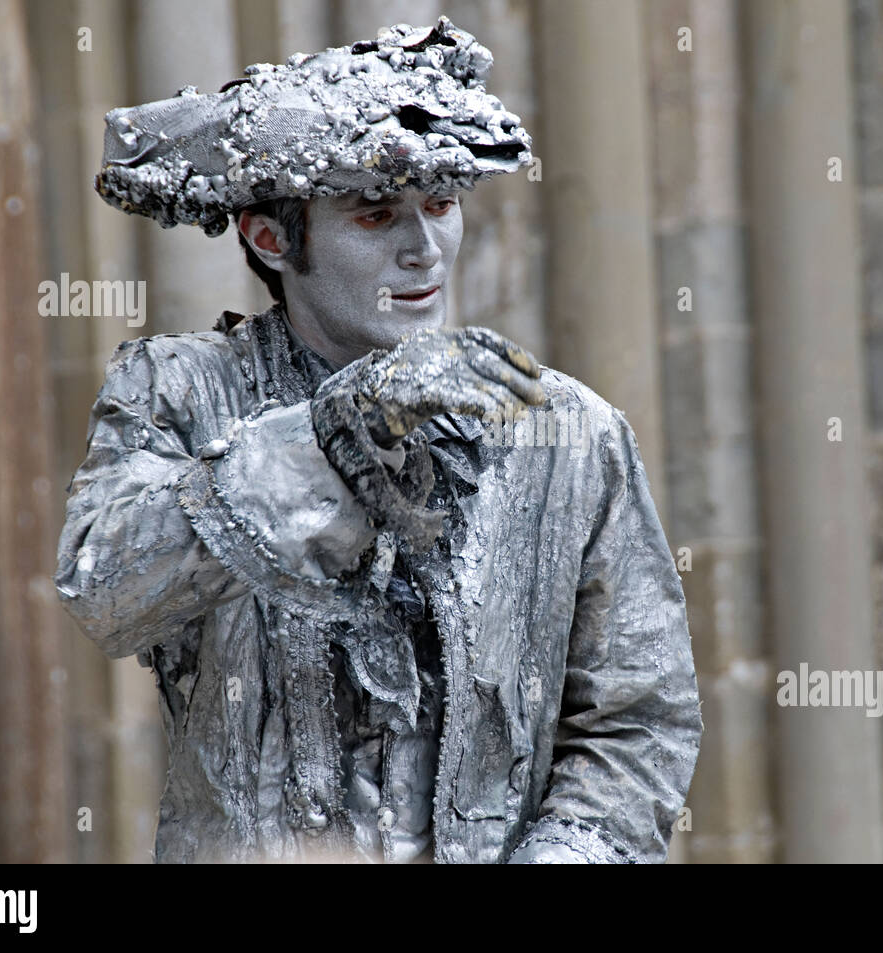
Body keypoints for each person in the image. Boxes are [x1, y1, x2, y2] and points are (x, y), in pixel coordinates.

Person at [56, 16, 701, 864]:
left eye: (440, 206)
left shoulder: (569, 432)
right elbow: (106, 588)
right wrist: (327, 439)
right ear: (271, 237)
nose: (423, 248)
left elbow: (637, 716)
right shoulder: (181, 392)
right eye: (374, 215)